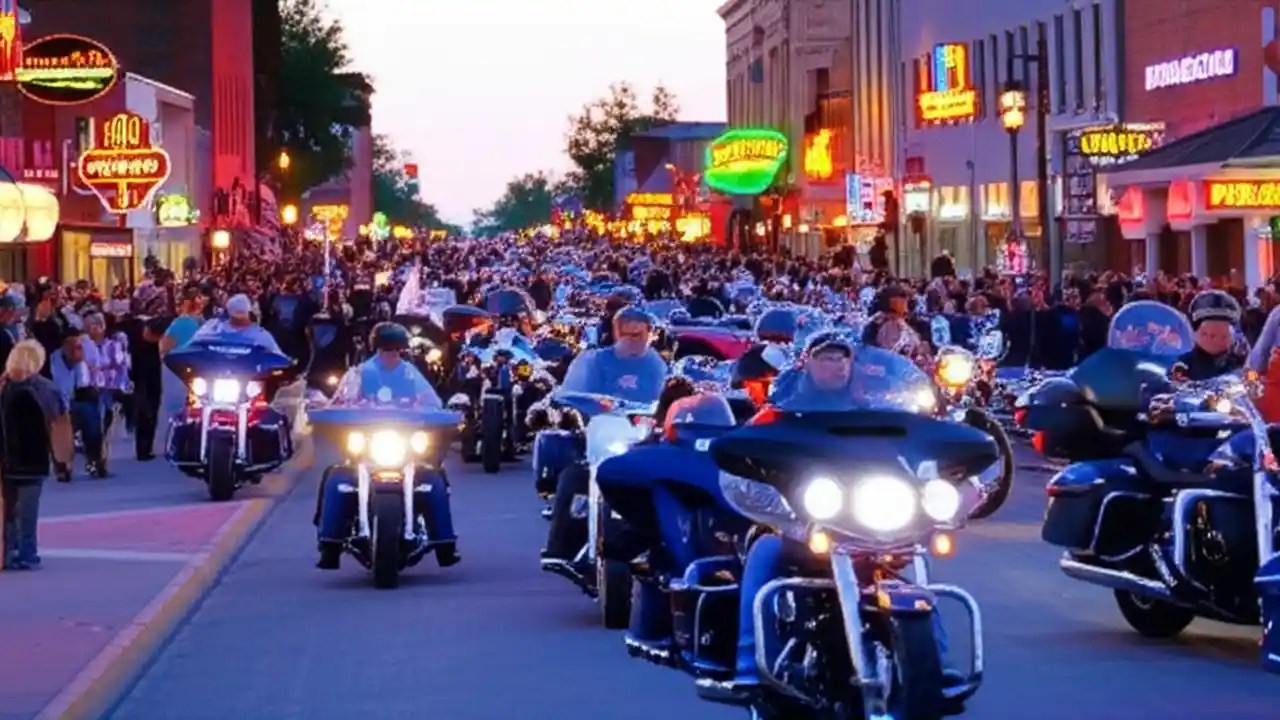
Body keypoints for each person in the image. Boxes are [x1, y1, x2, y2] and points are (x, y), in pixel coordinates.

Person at [697, 332, 961, 704]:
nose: (836, 365)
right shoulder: (782, 410)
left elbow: (912, 450)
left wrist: (938, 484)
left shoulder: (877, 409)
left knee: (914, 565)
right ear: (807, 364)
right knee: (765, 553)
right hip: (798, 520)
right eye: (826, 358)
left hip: (865, 518)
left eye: (842, 358)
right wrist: (787, 510)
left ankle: (938, 660)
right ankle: (750, 665)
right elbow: (737, 474)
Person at [314, 322, 458, 569]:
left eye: (395, 349)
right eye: (386, 349)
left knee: (434, 481)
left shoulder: (411, 374)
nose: (391, 354)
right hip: (366, 452)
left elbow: (433, 404)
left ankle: (445, 546)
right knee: (336, 481)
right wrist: (327, 410)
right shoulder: (358, 375)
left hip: (406, 450)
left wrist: (445, 413)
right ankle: (329, 547)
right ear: (376, 349)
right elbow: (339, 403)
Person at [541, 307, 669, 568]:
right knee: (572, 478)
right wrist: (575, 400)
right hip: (604, 428)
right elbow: (575, 392)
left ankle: (663, 543)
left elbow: (667, 396)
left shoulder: (657, 365)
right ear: (615, 333)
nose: (633, 340)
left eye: (639, 334)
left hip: (640, 432)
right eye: (627, 334)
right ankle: (559, 547)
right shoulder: (596, 361)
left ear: (648, 334)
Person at [1, 340, 65, 569]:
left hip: (6, 458)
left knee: (7, 510)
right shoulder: (45, 388)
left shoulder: (3, 386)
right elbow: (57, 415)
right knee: (28, 510)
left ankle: (7, 551)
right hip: (33, 458)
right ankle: (27, 552)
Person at [1177, 290, 1243, 381]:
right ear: (1197, 333)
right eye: (1209, 335)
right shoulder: (1184, 363)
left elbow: (1252, 381)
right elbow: (1173, 381)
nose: (1216, 341)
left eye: (1223, 336)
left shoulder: (1237, 362)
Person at [191, 293, 283, 353]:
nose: (239, 316)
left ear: (248, 313)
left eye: (242, 312)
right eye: (236, 312)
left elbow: (277, 357)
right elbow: (194, 343)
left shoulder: (261, 336)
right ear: (229, 312)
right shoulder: (212, 328)